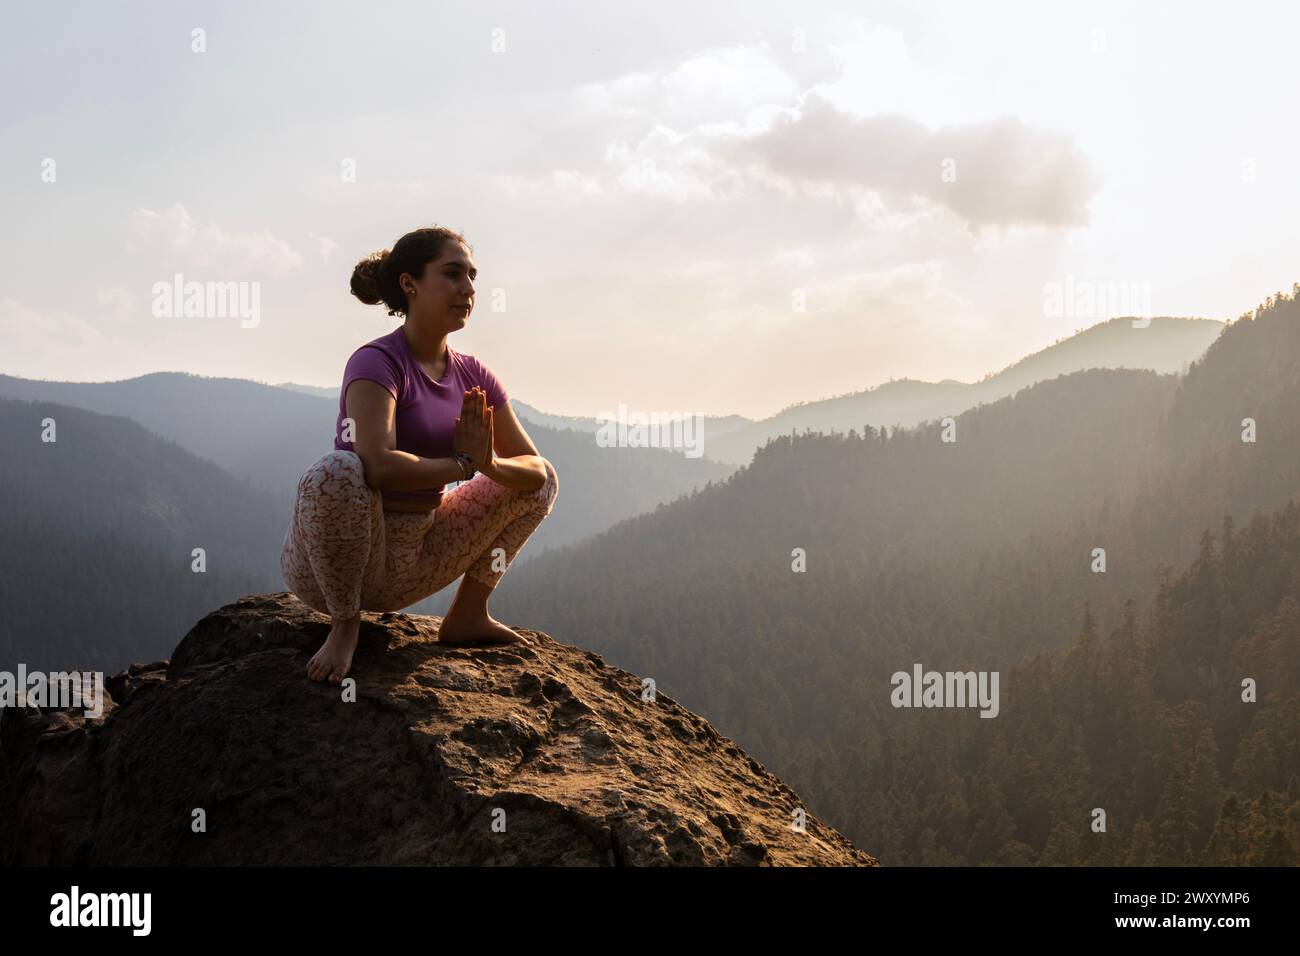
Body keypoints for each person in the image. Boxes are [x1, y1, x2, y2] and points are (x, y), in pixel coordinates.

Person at [280, 225, 558, 683]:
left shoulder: (475, 375)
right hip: (332, 567)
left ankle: (468, 615)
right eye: (452, 274)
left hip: (417, 557)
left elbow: (533, 471)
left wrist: (487, 464)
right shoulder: (377, 362)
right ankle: (345, 624)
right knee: (339, 470)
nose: (467, 289)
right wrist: (462, 466)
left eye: (472, 277)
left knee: (540, 479)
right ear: (409, 284)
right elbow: (377, 464)